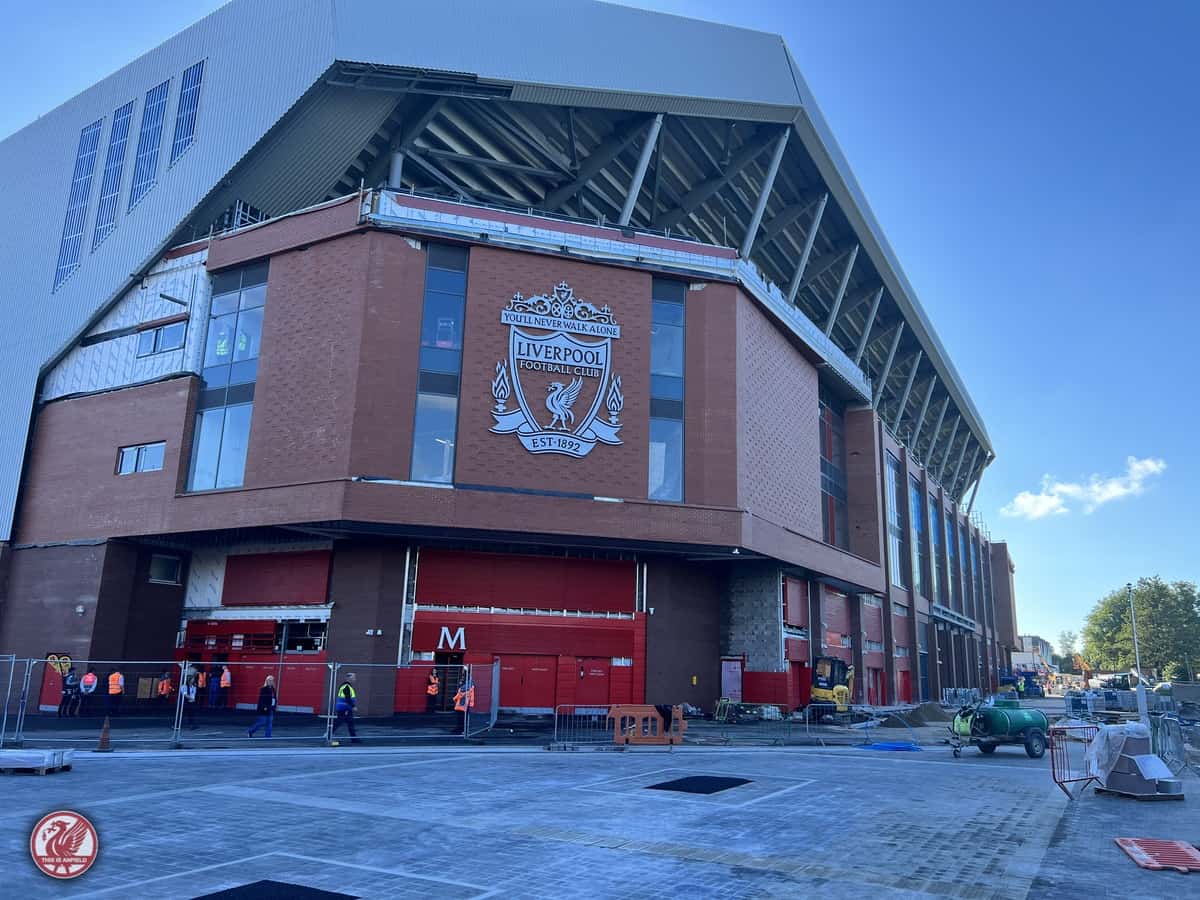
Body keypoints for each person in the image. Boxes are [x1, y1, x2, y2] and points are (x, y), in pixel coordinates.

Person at [331, 672, 359, 743]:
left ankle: (354, 739)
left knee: (350, 723)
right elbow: (347, 698)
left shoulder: (345, 686)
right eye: (353, 677)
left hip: (344, 707)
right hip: (345, 708)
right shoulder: (347, 687)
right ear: (348, 678)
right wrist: (353, 706)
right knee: (340, 722)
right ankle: (328, 734)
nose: (355, 679)